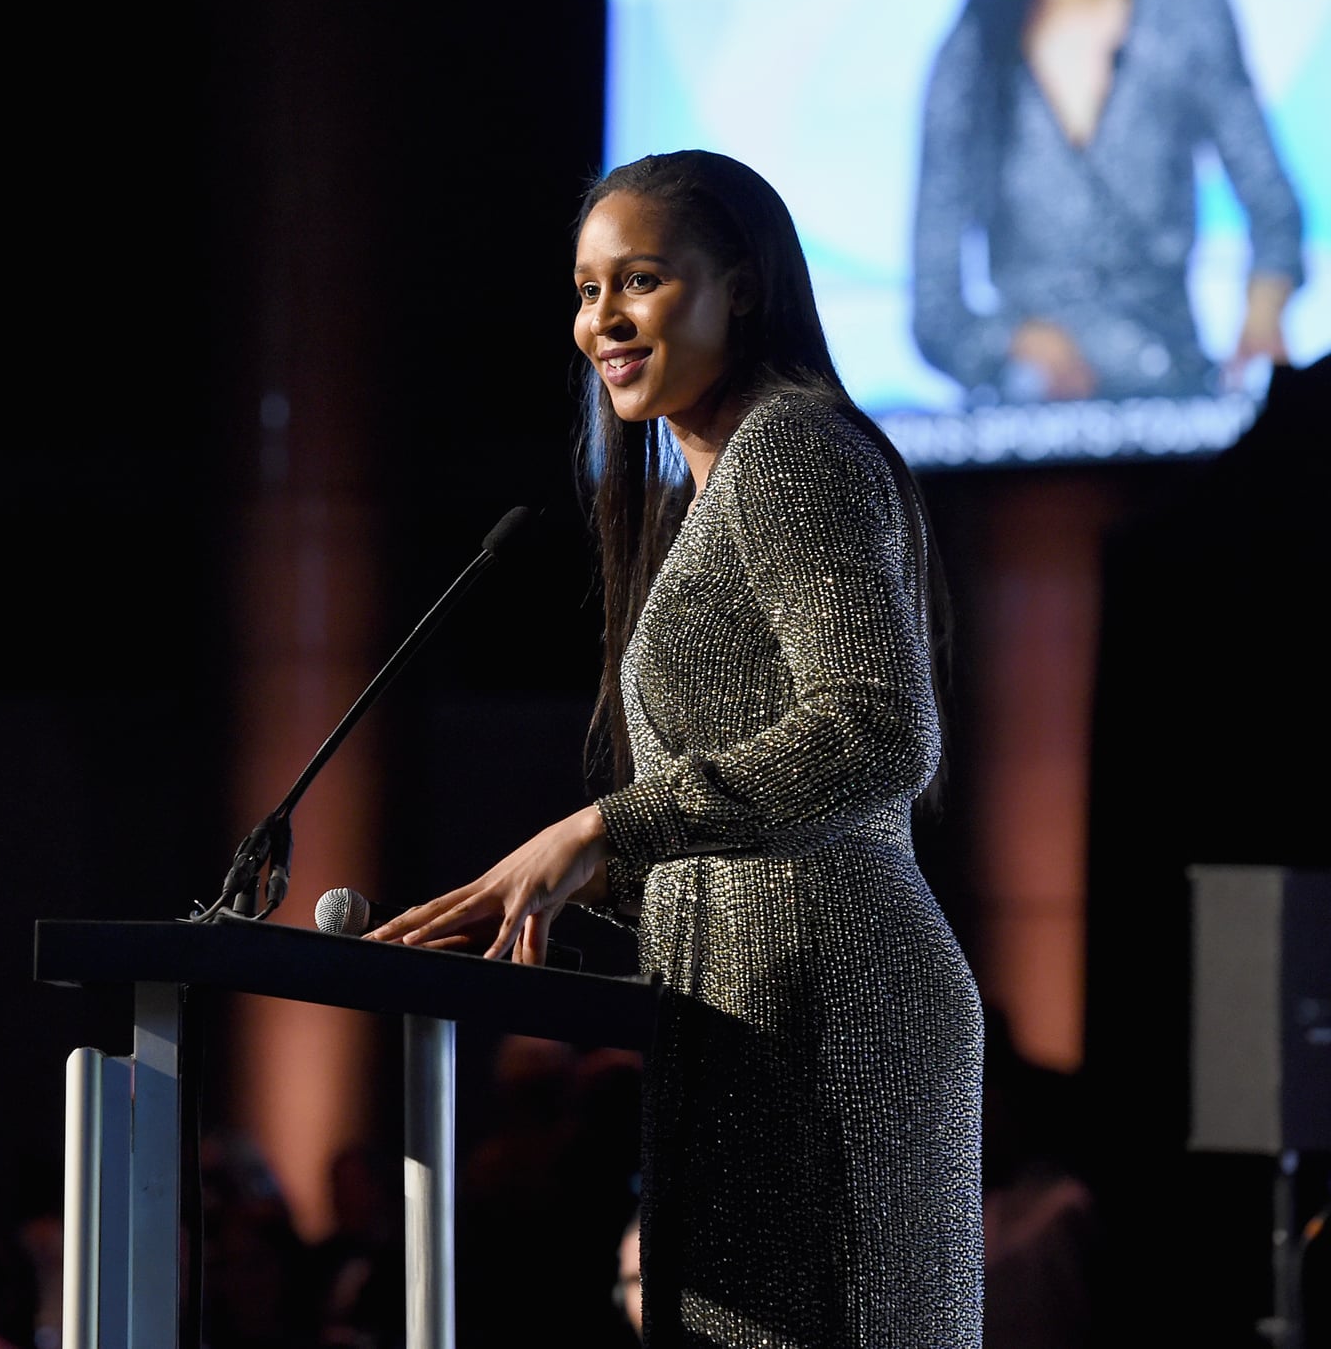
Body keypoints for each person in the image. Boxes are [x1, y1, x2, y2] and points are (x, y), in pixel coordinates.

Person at [368, 149, 985, 1345]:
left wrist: (603, 825)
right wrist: (584, 884)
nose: (601, 320)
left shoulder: (788, 450)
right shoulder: (715, 487)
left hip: (830, 1013)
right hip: (750, 1012)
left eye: (638, 281)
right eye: (587, 288)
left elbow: (875, 729)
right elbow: (745, 826)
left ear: (739, 286)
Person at [911, 0, 1305, 403]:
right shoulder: (974, 49)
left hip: (1175, 397)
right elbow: (935, 312)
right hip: (1030, 417)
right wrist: (1020, 342)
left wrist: (1264, 312)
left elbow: (1273, 207)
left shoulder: (1185, 11)